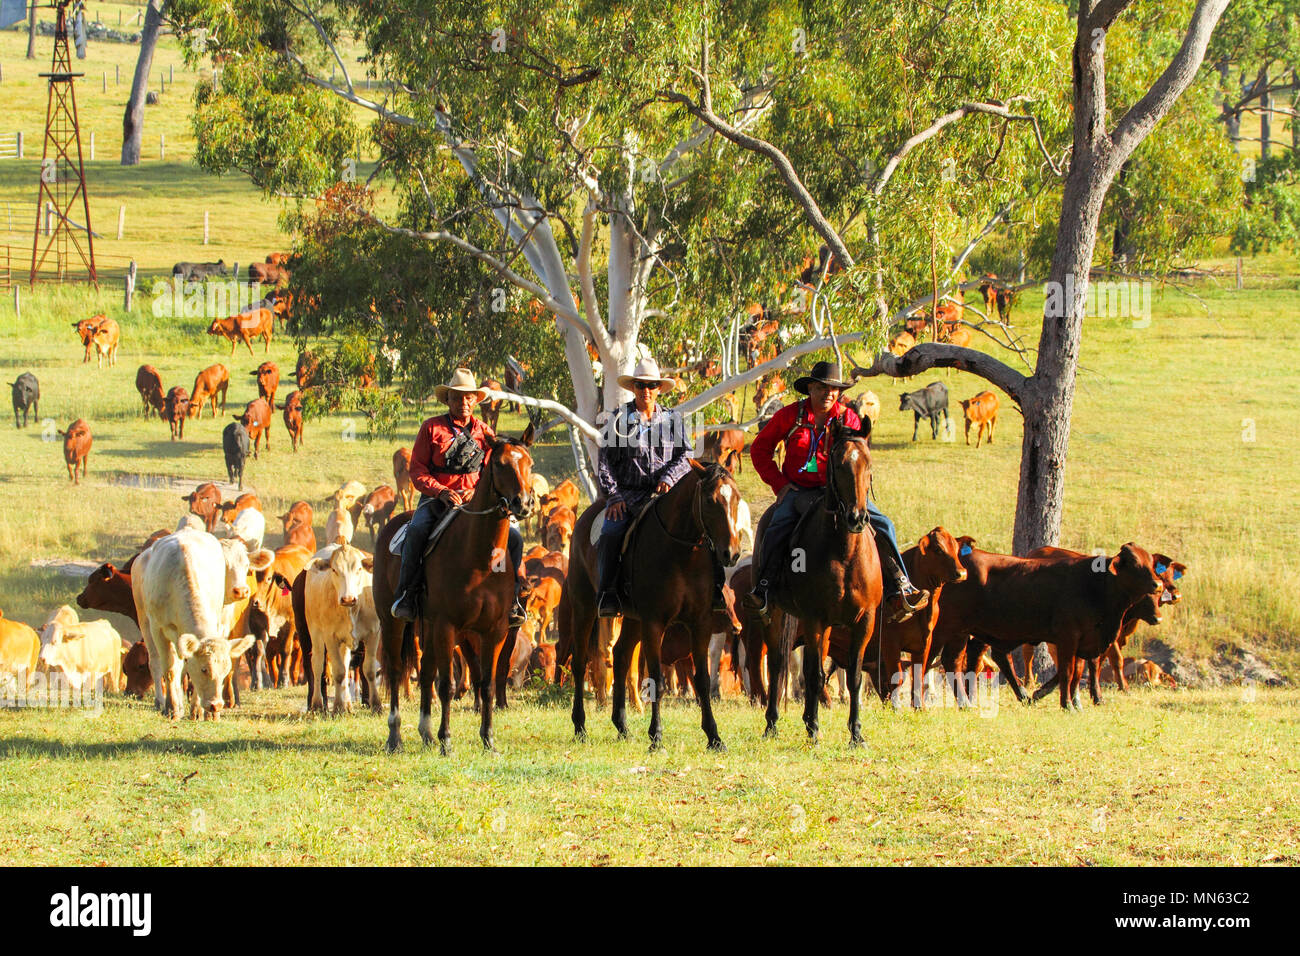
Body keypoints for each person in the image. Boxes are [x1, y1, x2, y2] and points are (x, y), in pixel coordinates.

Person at [747, 360, 929, 624]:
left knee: (883, 524)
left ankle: (900, 588)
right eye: (822, 387)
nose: (828, 394)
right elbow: (759, 449)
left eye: (834, 389)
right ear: (810, 388)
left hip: (842, 492)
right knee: (776, 527)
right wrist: (780, 484)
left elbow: (859, 456)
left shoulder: (849, 418)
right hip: (800, 491)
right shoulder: (790, 416)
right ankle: (764, 590)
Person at [390, 367, 527, 626]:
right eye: (457, 397)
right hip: (437, 499)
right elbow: (417, 470)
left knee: (514, 540)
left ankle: (513, 597)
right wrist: (441, 491)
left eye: (468, 398)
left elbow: (491, 472)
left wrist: (474, 493)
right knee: (417, 531)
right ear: (448, 400)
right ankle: (407, 593)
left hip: (478, 503)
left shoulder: (485, 433)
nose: (463, 403)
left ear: (475, 400)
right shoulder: (431, 428)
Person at [594, 357, 722, 618]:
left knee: (705, 526)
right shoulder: (618, 419)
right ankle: (608, 593)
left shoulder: (672, 420)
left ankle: (717, 589)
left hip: (665, 495)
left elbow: (685, 455)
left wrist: (669, 479)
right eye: (641, 385)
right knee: (610, 532)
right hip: (629, 497)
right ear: (633, 388)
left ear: (659, 389)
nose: (646, 391)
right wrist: (615, 496)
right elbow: (604, 462)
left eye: (652, 385)